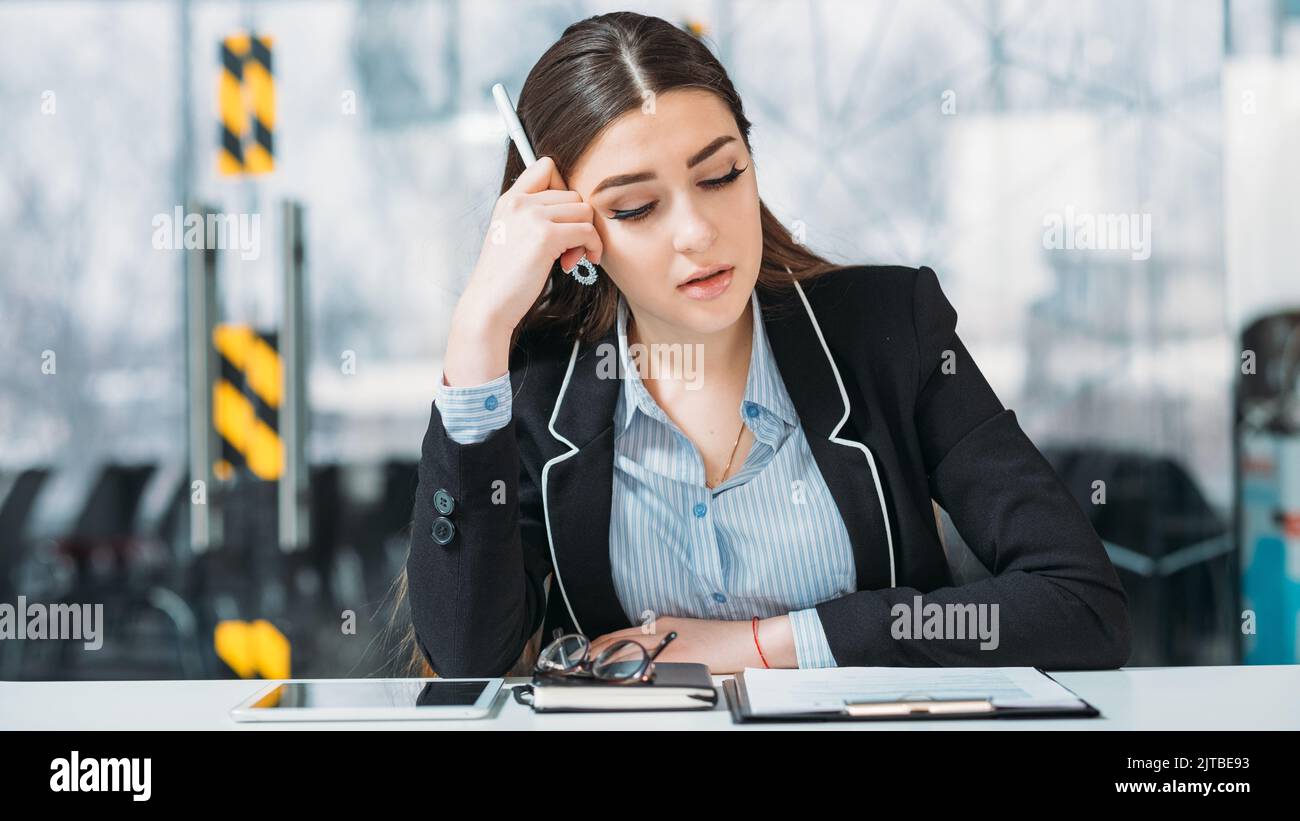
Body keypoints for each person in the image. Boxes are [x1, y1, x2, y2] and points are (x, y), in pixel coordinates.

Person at [395, 11, 1131, 678]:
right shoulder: (537, 386)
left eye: (720, 175)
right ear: (574, 235)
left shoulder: (888, 330)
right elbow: (466, 657)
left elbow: (1079, 604)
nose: (699, 232)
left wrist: (765, 643)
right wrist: (477, 332)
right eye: (637, 207)